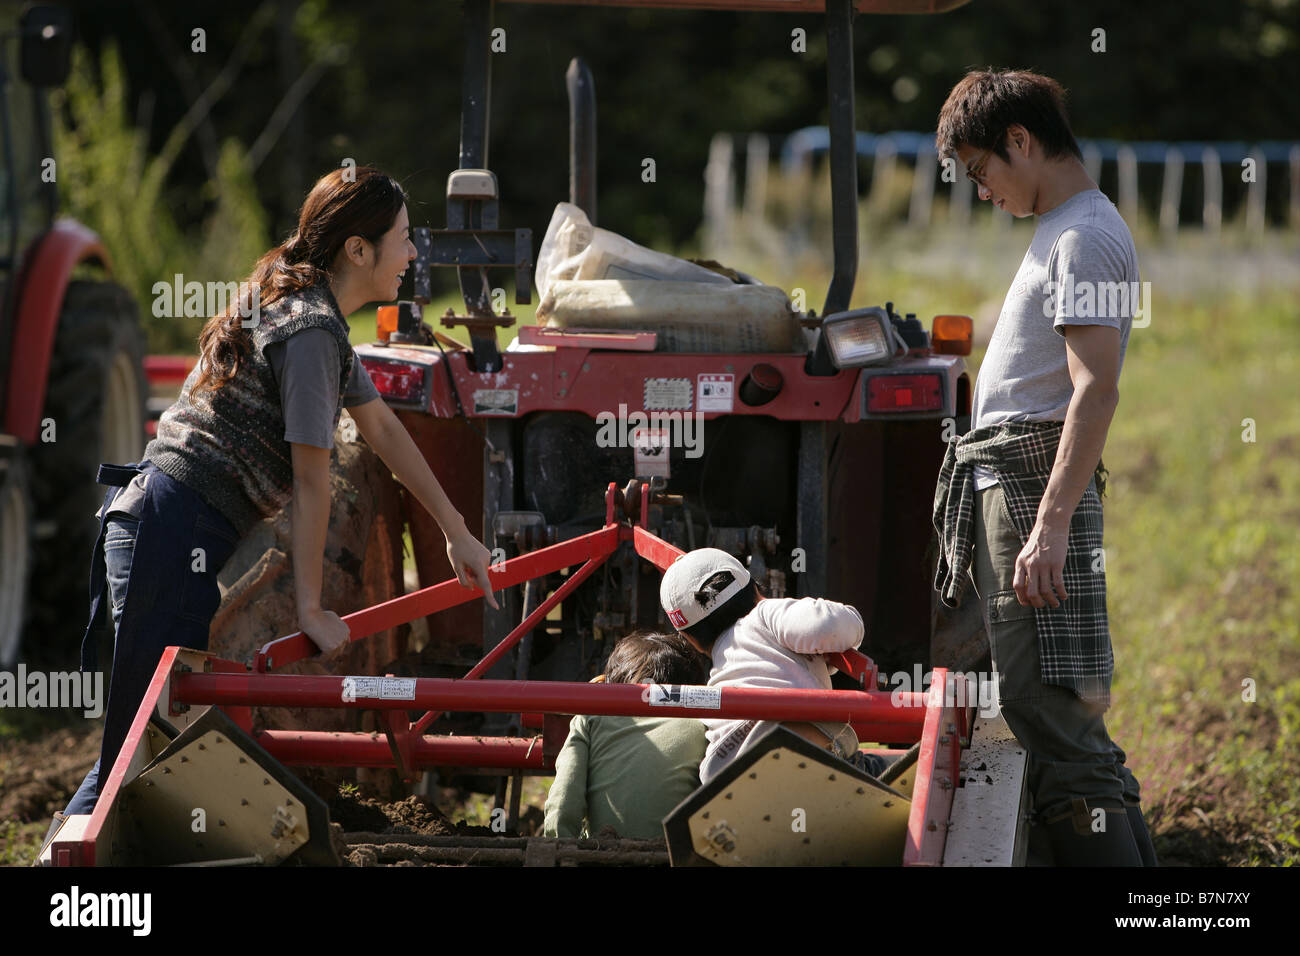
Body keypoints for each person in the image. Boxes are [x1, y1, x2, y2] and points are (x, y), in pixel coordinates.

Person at [48, 166, 498, 846]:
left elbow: (382, 429)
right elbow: (314, 480)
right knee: (136, 752)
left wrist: (458, 531)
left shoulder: (315, 318)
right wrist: (313, 608)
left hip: (170, 529)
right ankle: (66, 873)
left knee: (157, 742)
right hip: (165, 531)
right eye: (404, 240)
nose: (413, 256)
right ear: (358, 250)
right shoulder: (310, 328)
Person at [931, 69, 1156, 865]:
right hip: (1016, 488)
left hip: (1032, 494)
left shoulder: (1082, 235)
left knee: (1049, 713)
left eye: (982, 170)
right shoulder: (1063, 227)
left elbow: (1096, 390)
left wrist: (1050, 528)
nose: (983, 191)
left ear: (1020, 142)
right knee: (1062, 719)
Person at [658, 547, 885, 784]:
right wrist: (850, 629)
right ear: (755, 589)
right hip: (806, 759)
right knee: (892, 773)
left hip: (728, 780)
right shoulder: (765, 613)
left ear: (692, 640)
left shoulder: (721, 672)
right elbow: (832, 625)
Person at [543, 631, 710, 839]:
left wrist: (559, 849)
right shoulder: (704, 724)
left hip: (605, 852)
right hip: (677, 855)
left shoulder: (591, 718)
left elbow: (564, 800)